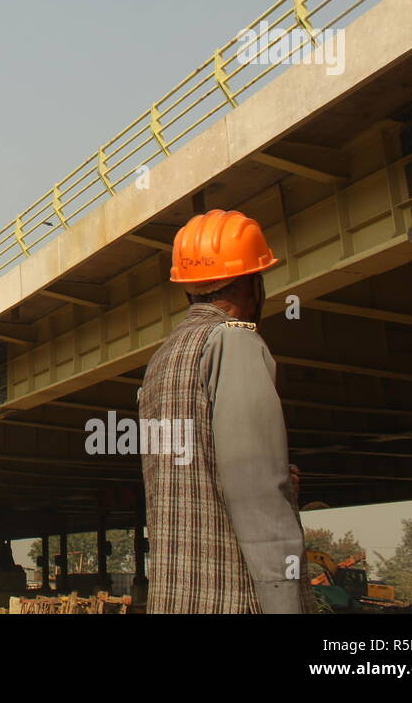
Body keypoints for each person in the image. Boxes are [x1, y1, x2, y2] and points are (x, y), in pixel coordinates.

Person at [138, 209, 313, 613]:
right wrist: (285, 601)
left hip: (176, 599)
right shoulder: (233, 342)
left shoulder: (161, 361)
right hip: (234, 598)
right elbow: (257, 492)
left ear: (187, 291)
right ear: (254, 283)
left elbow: (191, 476)